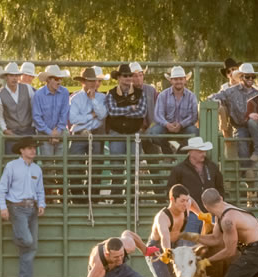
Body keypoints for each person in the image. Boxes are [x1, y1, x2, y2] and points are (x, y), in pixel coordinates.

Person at [146, 184, 204, 277]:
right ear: (172, 199)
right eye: (182, 201)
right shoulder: (163, 217)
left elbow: (192, 202)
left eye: (186, 200)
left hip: (175, 246)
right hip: (158, 249)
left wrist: (201, 214)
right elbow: (164, 236)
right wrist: (167, 252)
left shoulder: (186, 205)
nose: (186, 204)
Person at [0, 136, 45, 277]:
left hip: (31, 208)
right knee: (29, 242)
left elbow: (40, 190)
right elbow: (2, 188)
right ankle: (18, 237)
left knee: (30, 246)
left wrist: (41, 204)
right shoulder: (11, 166)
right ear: (22, 150)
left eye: (34, 148)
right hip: (16, 208)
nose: (33, 150)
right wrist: (3, 208)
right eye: (29, 148)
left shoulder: (37, 169)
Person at [105, 64, 146, 202]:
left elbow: (141, 112)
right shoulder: (111, 93)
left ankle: (133, 197)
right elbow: (112, 112)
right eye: (125, 76)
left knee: (135, 166)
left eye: (129, 75)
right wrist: (130, 108)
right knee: (117, 166)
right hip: (117, 133)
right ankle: (117, 197)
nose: (128, 78)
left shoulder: (140, 93)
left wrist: (123, 111)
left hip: (134, 133)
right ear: (119, 78)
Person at [167, 136, 224, 232]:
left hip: (211, 213)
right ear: (191, 152)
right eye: (200, 151)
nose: (203, 154)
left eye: (204, 151)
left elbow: (220, 188)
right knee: (190, 243)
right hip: (190, 215)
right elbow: (171, 190)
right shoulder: (179, 169)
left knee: (208, 243)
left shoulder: (212, 167)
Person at [68, 67, 107, 203]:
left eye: (94, 80)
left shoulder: (101, 97)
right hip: (79, 134)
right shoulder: (75, 98)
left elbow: (102, 115)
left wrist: (93, 100)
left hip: (95, 135)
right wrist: (92, 115)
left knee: (96, 167)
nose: (92, 83)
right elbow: (73, 119)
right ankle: (77, 197)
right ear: (83, 82)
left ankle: (93, 197)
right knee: (74, 166)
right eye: (89, 80)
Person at [209, 63, 258, 164]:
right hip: (240, 126)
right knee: (241, 140)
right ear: (241, 77)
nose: (250, 79)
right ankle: (247, 172)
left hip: (256, 126)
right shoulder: (231, 92)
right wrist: (219, 102)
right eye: (247, 76)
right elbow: (212, 98)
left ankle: (256, 171)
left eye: (253, 76)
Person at [150, 66, 198, 153]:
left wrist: (181, 124)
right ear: (171, 81)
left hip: (184, 127)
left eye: (181, 79)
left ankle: (181, 151)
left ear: (185, 80)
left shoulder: (191, 96)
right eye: (175, 79)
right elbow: (158, 115)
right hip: (166, 127)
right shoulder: (163, 95)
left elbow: (193, 116)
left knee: (194, 132)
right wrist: (167, 124)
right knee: (154, 132)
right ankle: (167, 151)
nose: (178, 81)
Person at [0, 62, 35, 154]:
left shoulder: (27, 88)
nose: (14, 78)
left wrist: (33, 126)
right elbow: (0, 116)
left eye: (16, 75)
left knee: (29, 159)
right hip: (12, 132)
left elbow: (34, 107)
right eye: (11, 75)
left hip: (28, 130)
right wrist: (4, 129)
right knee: (11, 160)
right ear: (6, 77)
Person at [32, 64, 70, 156]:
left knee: (61, 164)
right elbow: (36, 117)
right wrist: (50, 133)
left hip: (59, 131)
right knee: (48, 164)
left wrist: (57, 132)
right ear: (48, 80)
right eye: (57, 79)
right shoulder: (38, 94)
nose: (59, 81)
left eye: (61, 79)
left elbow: (65, 113)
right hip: (44, 133)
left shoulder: (65, 92)